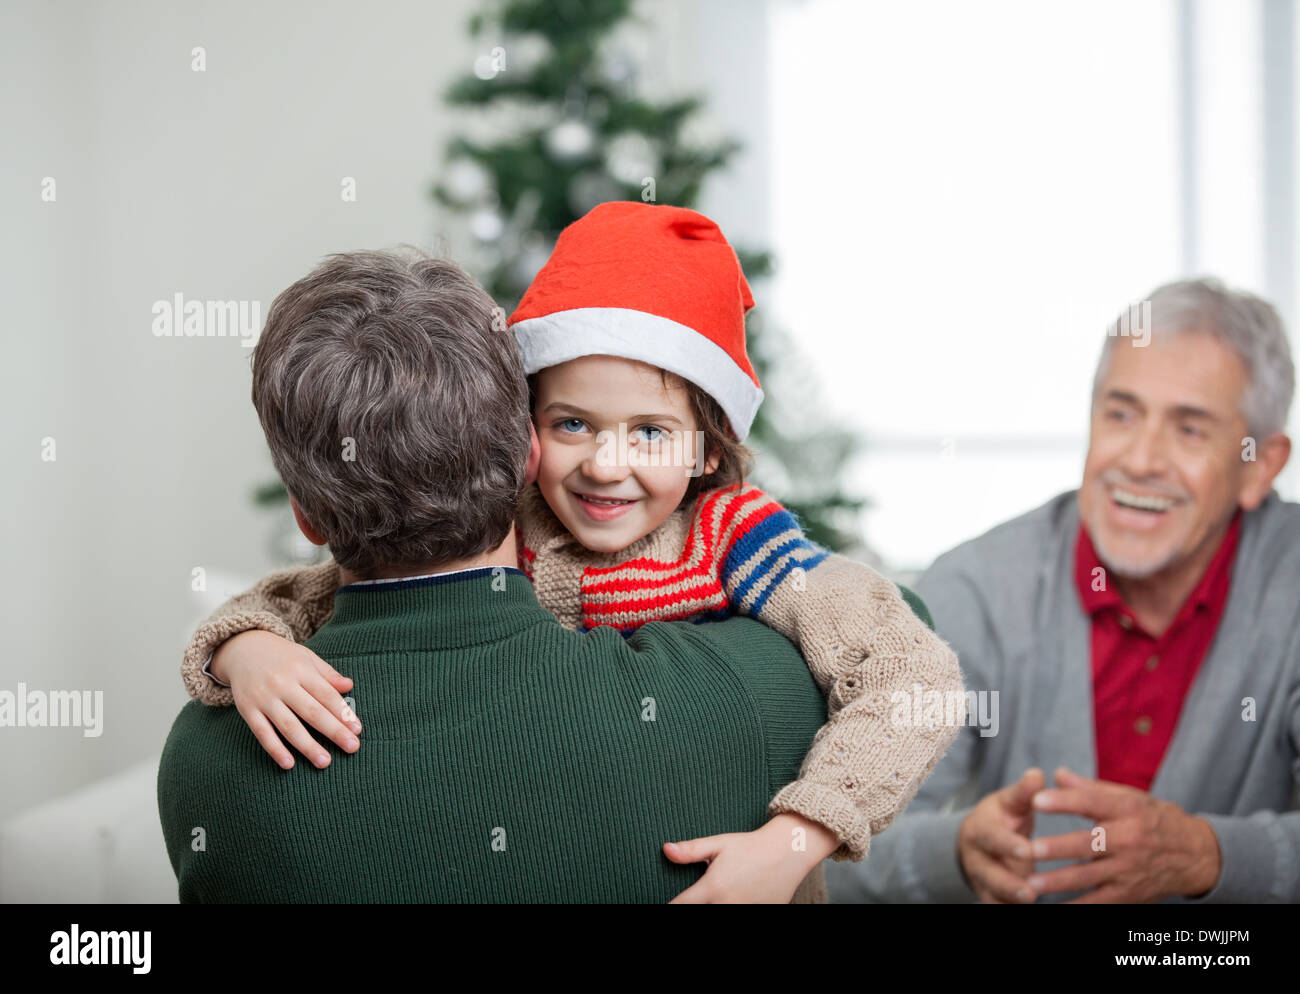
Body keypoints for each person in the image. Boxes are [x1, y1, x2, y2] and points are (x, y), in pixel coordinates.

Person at [175, 203, 964, 903]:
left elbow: (907, 663)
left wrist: (795, 840)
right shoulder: (522, 522)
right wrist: (244, 649)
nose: (605, 465)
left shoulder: (734, 540)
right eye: (572, 425)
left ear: (709, 451)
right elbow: (294, 598)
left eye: (650, 433)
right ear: (525, 442)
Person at [828, 277, 1300, 903]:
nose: (1139, 459)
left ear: (1260, 465)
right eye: (1121, 413)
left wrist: (1209, 856)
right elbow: (832, 846)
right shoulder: (980, 588)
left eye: (1189, 430)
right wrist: (956, 853)